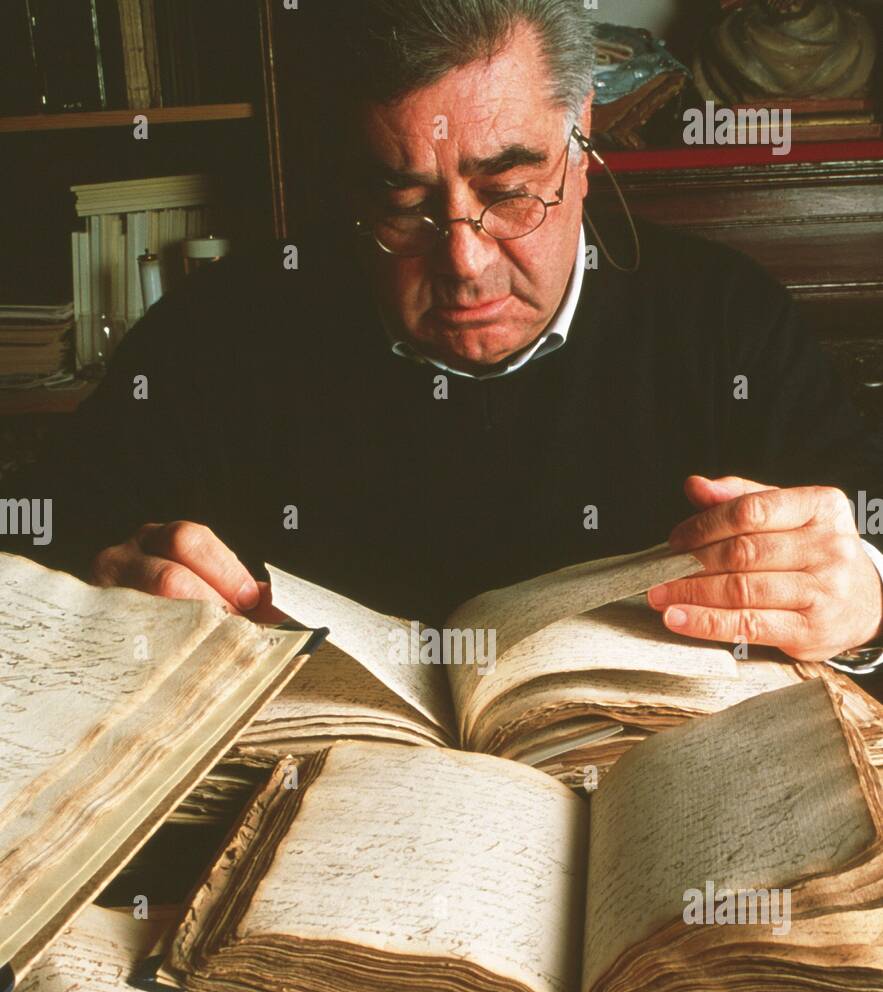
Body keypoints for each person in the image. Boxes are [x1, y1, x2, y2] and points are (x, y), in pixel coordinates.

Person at [11, 0, 883, 666]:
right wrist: (93, 592)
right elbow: (31, 551)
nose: (463, 261)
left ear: (580, 133)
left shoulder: (726, 322)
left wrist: (866, 596)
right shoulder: (218, 331)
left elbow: (865, 531)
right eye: (403, 205)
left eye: (507, 192)